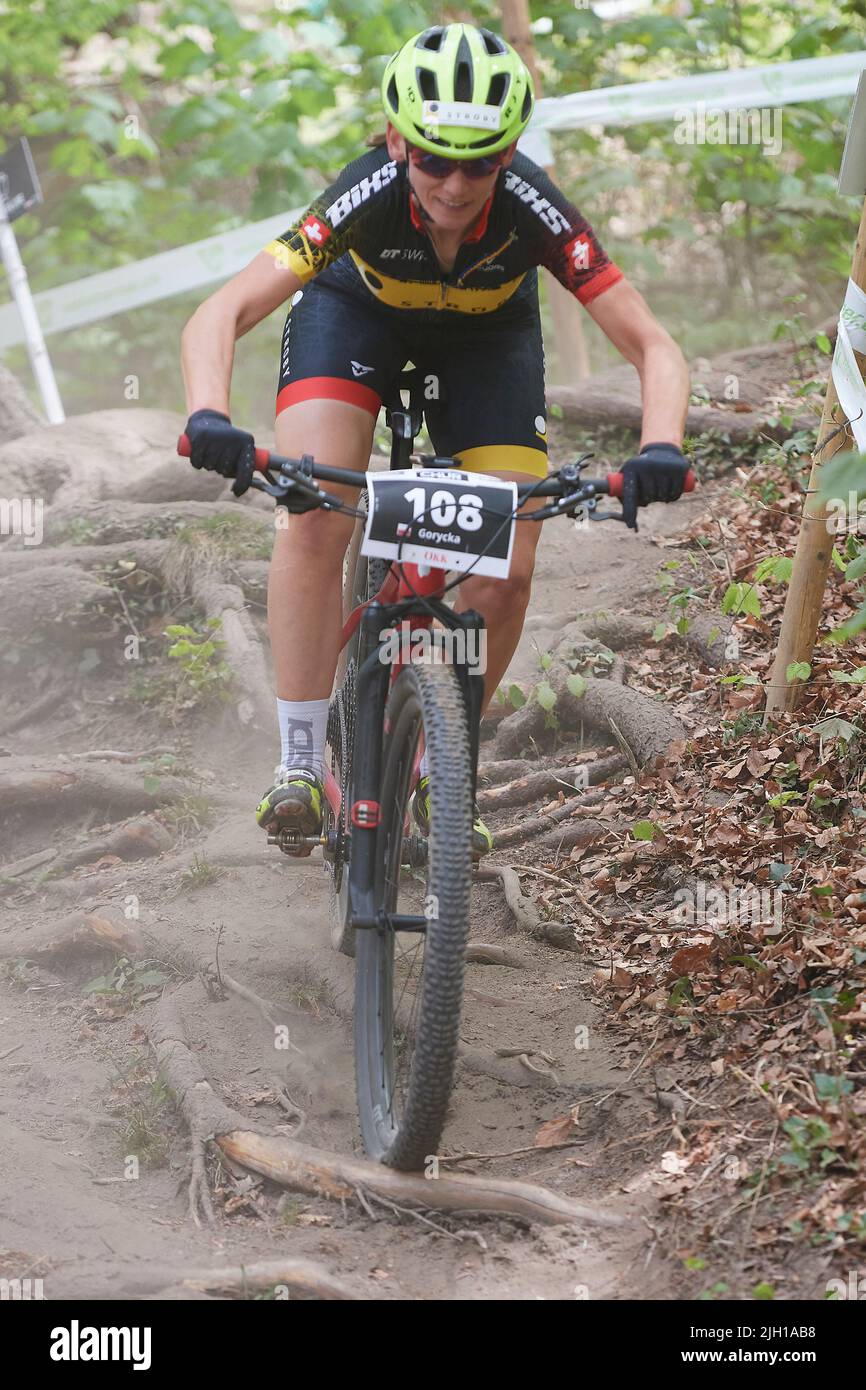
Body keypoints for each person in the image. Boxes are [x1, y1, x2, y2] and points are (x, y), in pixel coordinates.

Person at [180, 22, 690, 857]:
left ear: (511, 151)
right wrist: (208, 415)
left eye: (482, 162)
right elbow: (222, 311)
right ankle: (301, 761)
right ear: (396, 142)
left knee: (509, 569)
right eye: (432, 159)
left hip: (485, 342)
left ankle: (440, 766)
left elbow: (653, 344)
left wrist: (662, 445)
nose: (456, 183)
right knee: (315, 513)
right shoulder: (364, 192)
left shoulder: (536, 207)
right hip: (355, 317)